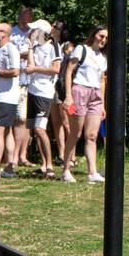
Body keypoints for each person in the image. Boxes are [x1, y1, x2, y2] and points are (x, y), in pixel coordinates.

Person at [62, 25, 109, 184]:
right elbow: (68, 71)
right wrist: (68, 96)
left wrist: (102, 104)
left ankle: (92, 172)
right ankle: (66, 169)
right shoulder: (82, 49)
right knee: (76, 133)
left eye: (106, 38)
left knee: (92, 135)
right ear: (94, 35)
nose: (103, 40)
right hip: (79, 91)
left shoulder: (103, 57)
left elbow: (102, 80)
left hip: (95, 94)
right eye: (101, 36)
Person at [24, 18, 61, 177]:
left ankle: (50, 165)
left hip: (44, 92)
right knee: (35, 129)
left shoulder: (53, 46)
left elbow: (56, 69)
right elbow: (29, 67)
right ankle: (44, 165)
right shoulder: (36, 46)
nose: (31, 33)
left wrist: (35, 68)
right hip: (33, 91)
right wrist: (31, 47)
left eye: (34, 30)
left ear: (42, 32)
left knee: (40, 128)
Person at [0, 22, 20, 180]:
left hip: (6, 97)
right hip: (1, 96)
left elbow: (15, 71)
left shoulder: (10, 49)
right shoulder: (0, 49)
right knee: (7, 132)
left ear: (5, 34)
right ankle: (8, 168)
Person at [9, 7, 33, 169]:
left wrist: (26, 54)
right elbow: (8, 52)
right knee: (16, 119)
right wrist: (23, 54)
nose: (27, 22)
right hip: (13, 81)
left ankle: (23, 155)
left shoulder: (35, 33)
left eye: (30, 19)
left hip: (31, 81)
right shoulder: (12, 32)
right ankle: (12, 156)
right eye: (25, 19)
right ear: (19, 18)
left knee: (26, 120)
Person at [48, 23, 73, 168]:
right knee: (56, 122)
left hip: (62, 87)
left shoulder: (67, 45)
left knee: (66, 122)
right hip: (51, 87)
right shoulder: (50, 45)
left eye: (55, 27)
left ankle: (72, 155)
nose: (52, 29)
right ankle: (61, 153)